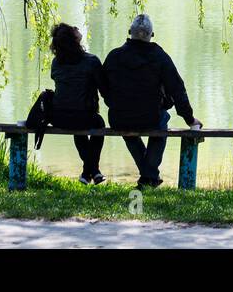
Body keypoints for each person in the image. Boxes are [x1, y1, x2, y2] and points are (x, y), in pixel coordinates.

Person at [101, 13, 202, 189]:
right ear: (151, 35)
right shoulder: (159, 56)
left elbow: (102, 86)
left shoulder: (114, 56)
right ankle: (149, 176)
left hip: (119, 117)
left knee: (127, 128)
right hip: (150, 117)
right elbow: (177, 89)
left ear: (129, 32)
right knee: (162, 122)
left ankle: (149, 177)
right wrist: (190, 119)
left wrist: (113, 103)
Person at [49, 24, 107, 185]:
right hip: (84, 116)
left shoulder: (56, 63)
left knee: (77, 127)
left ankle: (87, 173)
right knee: (98, 124)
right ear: (73, 39)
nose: (77, 27)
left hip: (59, 116)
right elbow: (104, 89)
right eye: (73, 29)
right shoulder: (91, 61)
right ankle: (92, 170)